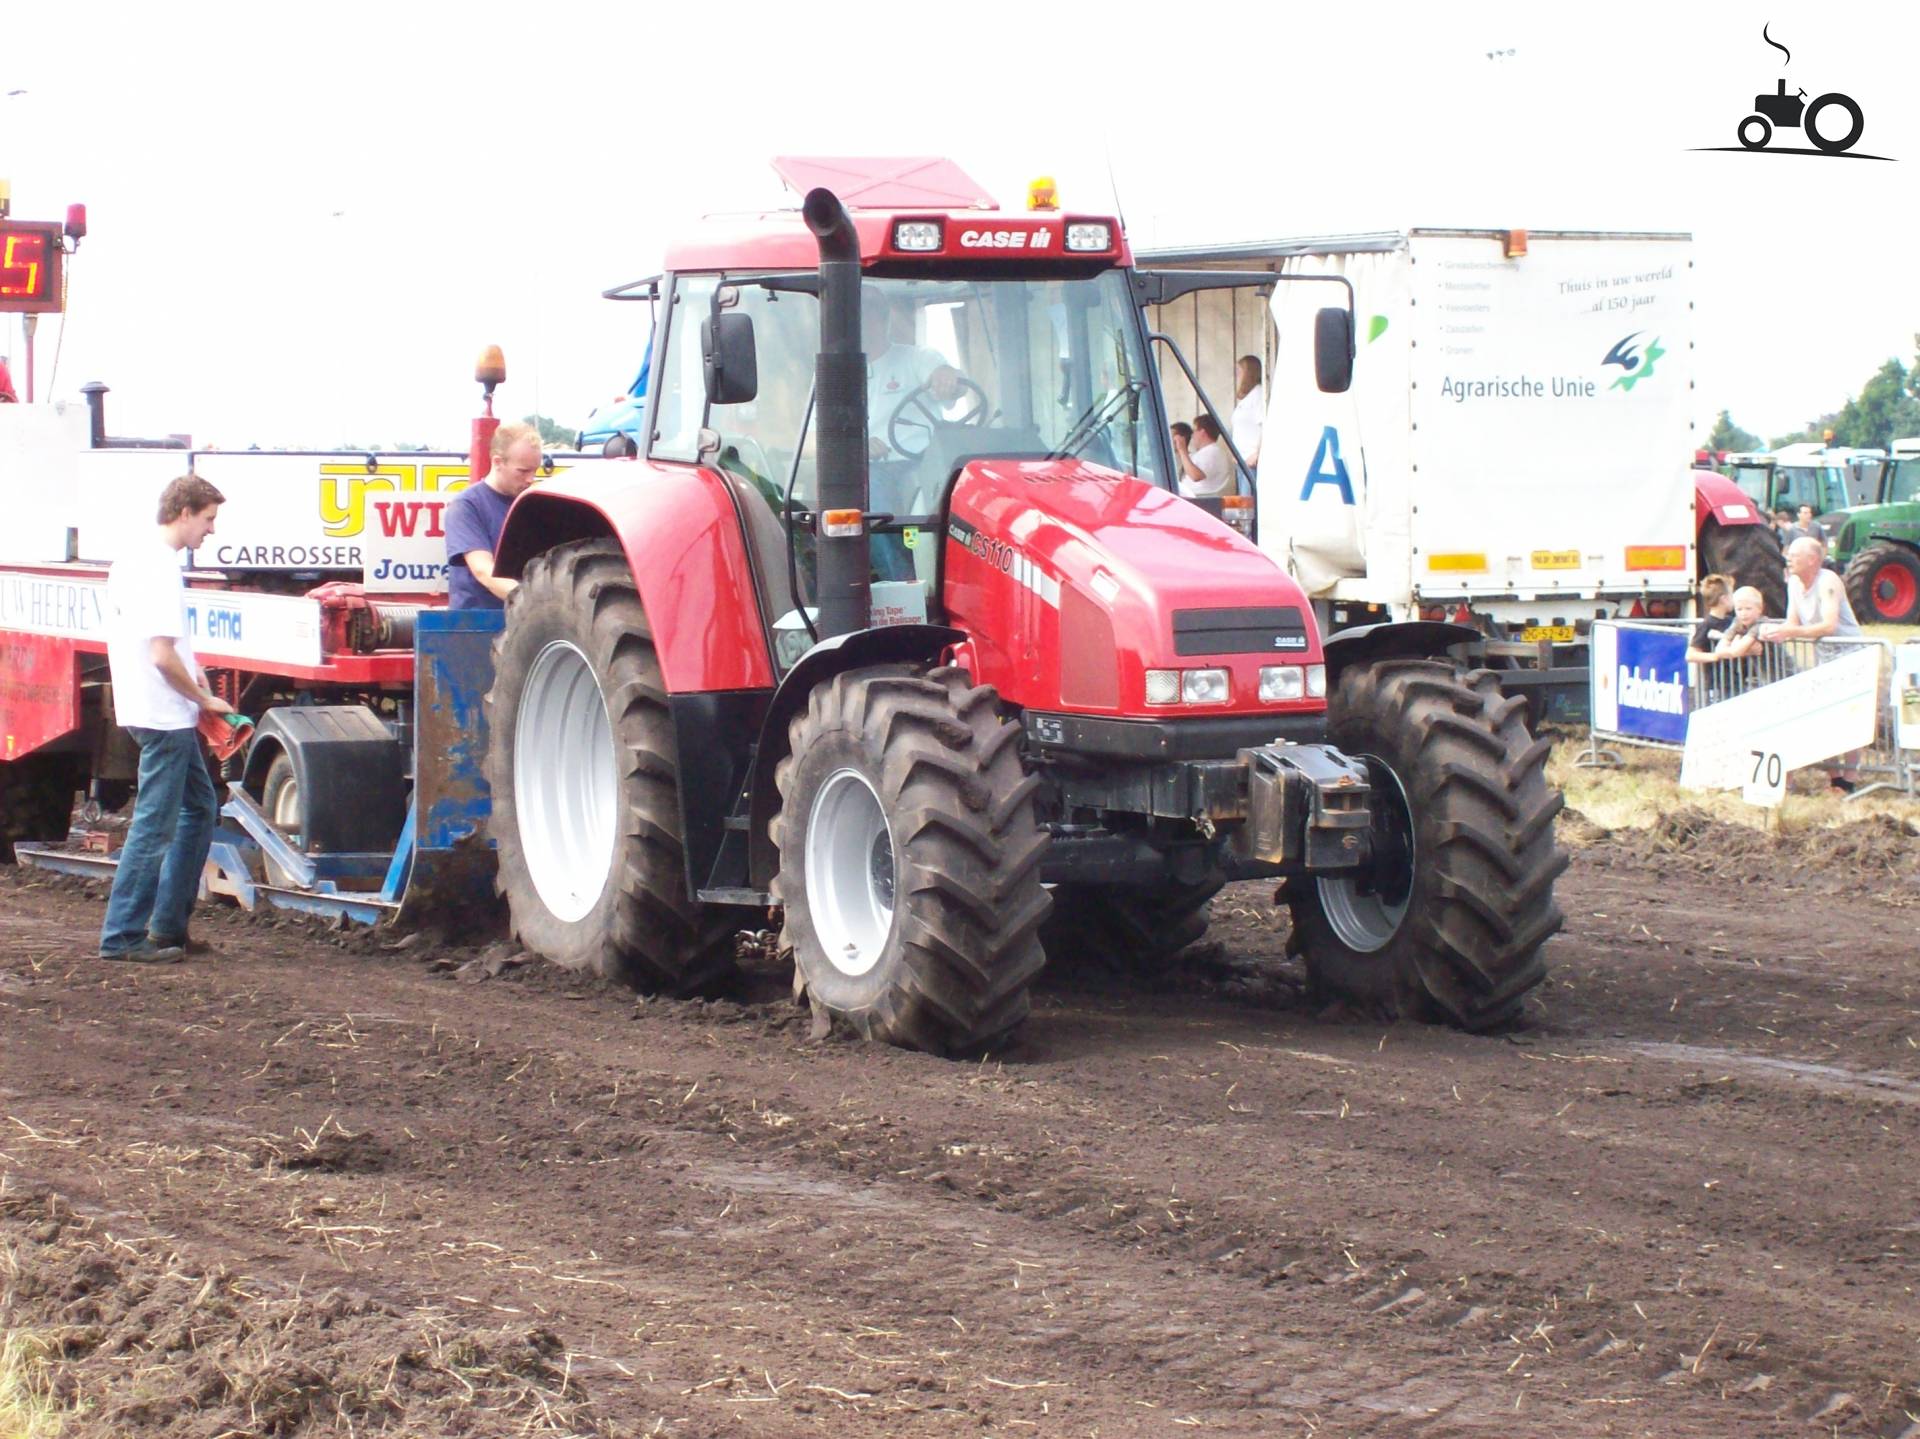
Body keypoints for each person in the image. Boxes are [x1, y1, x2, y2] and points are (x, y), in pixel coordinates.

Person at [97, 474, 238, 962]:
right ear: (184, 513)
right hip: (163, 717)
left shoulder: (134, 559)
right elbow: (161, 656)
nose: (211, 530)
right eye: (209, 518)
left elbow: (163, 649)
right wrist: (204, 698)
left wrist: (192, 689)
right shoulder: (158, 568)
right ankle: (123, 936)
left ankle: (168, 928)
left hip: (155, 710)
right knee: (155, 826)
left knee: (198, 809)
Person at [445, 421, 542, 610]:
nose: (530, 479)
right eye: (523, 471)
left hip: (525, 623)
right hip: (478, 625)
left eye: (535, 471)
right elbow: (484, 571)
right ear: (497, 462)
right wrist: (533, 603)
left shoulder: (535, 505)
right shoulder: (467, 506)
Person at [1174, 415, 1232, 498]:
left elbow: (1196, 476)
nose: (1192, 436)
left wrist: (1182, 450)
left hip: (1199, 498)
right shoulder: (1204, 452)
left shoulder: (1212, 451)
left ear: (1202, 432)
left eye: (1194, 431)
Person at [1230, 355, 1264, 481]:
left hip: (1250, 460)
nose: (1237, 375)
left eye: (1239, 371)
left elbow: (1264, 426)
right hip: (1241, 460)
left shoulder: (1258, 394)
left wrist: (1257, 454)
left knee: (1250, 498)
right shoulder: (1248, 397)